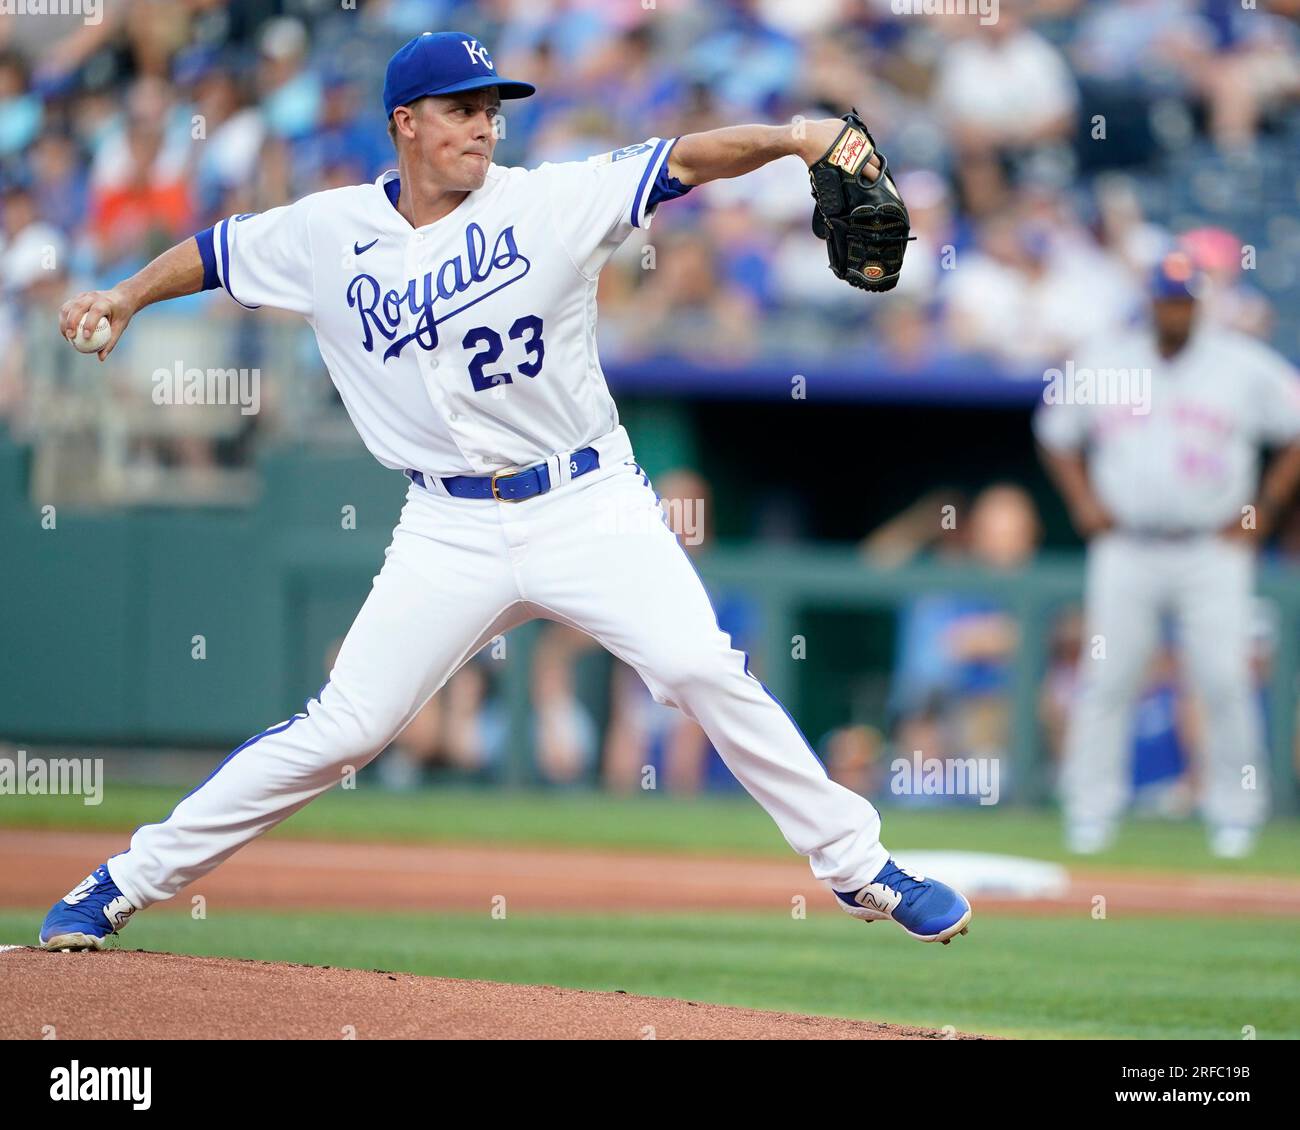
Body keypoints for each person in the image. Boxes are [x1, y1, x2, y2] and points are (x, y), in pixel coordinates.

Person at [40, 31, 971, 950]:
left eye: (491, 109)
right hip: (445, 525)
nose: (484, 126)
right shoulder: (326, 232)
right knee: (345, 729)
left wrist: (798, 136)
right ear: (405, 122)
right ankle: (121, 883)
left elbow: (686, 159)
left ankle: (859, 867)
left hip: (585, 501)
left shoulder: (550, 200)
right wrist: (125, 296)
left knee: (698, 668)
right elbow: (216, 250)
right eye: (461, 110)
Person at [1034, 251, 1300, 858]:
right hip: (1127, 545)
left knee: (1224, 679)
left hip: (1212, 548)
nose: (1174, 310)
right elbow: (1054, 433)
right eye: (1166, 298)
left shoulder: (1240, 363)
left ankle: (1236, 812)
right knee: (1107, 679)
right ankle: (1090, 810)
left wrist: (1262, 508)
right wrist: (1082, 500)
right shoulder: (1106, 358)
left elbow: (1294, 429)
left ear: (1198, 303)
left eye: (1183, 299)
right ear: (1150, 300)